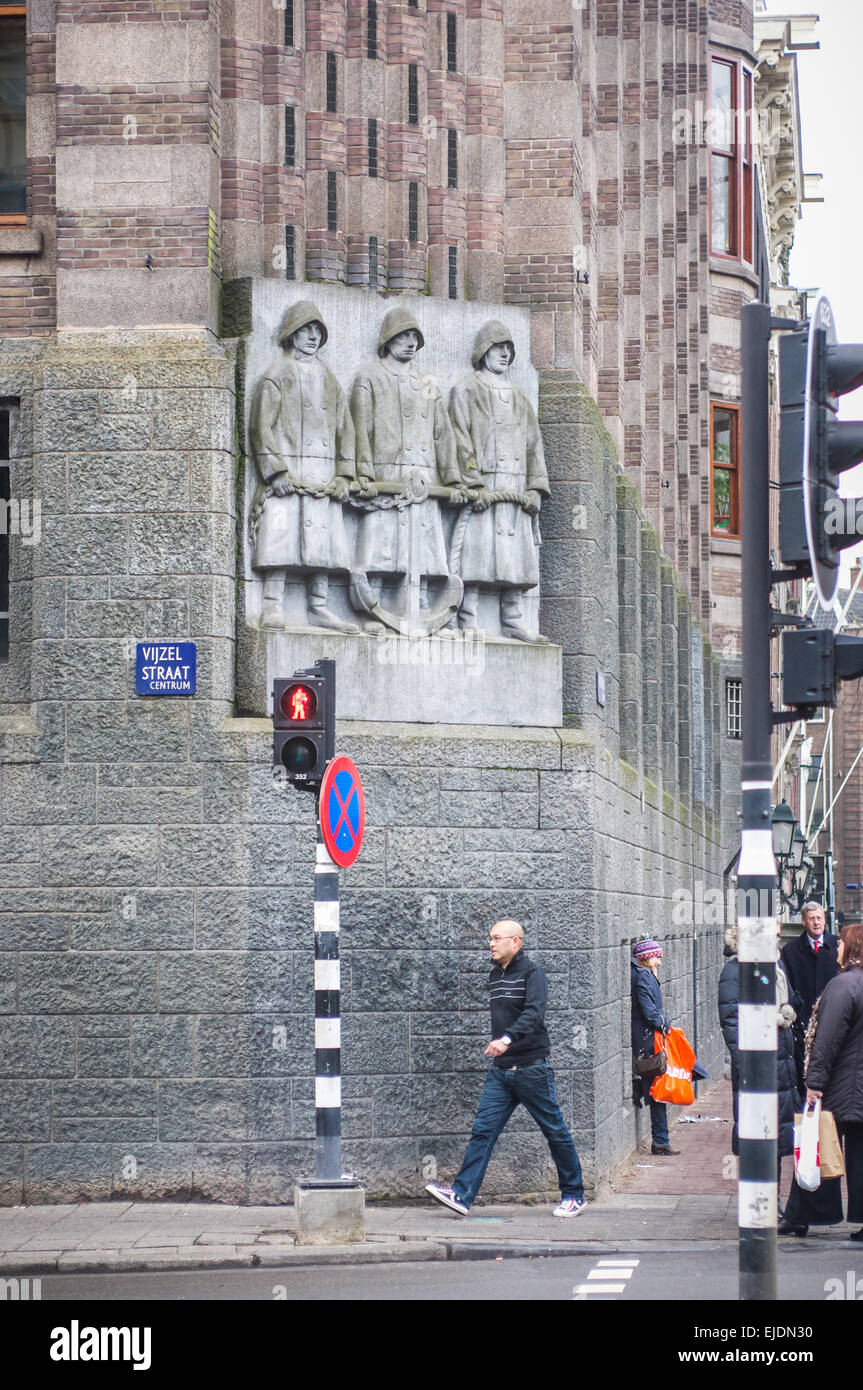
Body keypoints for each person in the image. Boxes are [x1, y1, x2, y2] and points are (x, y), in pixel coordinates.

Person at [425, 920, 586, 1217]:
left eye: (497, 938)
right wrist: (501, 1046)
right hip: (501, 1072)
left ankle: (574, 1194)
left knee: (554, 1131)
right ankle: (461, 1195)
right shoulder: (495, 975)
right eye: (490, 938)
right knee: (483, 1132)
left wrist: (507, 1038)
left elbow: (535, 1013)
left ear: (516, 942)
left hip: (532, 1069)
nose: (491, 943)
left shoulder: (532, 972)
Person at [248, 300, 361, 633]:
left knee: (323, 544)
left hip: (323, 475)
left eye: (317, 331)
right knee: (280, 539)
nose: (312, 336)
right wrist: (276, 471)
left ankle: (319, 606)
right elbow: (261, 427)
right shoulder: (276, 374)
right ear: (291, 334)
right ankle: (272, 604)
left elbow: (345, 428)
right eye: (305, 330)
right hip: (289, 474)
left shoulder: (329, 378)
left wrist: (344, 473)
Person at [448, 321, 550, 642]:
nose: (505, 354)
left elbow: (534, 445)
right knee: (478, 554)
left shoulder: (520, 398)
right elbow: (458, 437)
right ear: (483, 351)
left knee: (514, 557)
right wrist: (472, 482)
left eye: (509, 349)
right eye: (498, 347)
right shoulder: (466, 390)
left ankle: (513, 617)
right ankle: (468, 616)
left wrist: (534, 488)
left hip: (515, 491)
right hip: (485, 489)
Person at [803, 921, 863, 1242]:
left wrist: (815, 1082)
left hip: (845, 1086)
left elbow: (826, 1040)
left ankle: (808, 1213)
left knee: (820, 1145)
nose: (835, 947)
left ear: (851, 948)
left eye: (839, 943)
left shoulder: (844, 986)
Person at [631, 937, 679, 1155]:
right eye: (656, 957)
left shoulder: (645, 976)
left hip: (649, 1039)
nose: (659, 961)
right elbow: (650, 1012)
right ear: (646, 958)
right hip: (650, 1041)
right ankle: (660, 1140)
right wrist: (665, 1026)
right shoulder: (643, 978)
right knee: (658, 1088)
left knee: (657, 1086)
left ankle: (661, 1139)